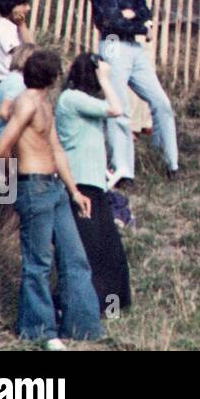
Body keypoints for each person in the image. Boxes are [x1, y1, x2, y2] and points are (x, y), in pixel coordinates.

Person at [0, 50, 104, 349]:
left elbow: (56, 150)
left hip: (54, 188)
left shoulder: (45, 104)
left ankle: (83, 327)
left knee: (74, 256)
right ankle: (40, 331)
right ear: (54, 77)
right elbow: (2, 148)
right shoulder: (27, 103)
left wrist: (75, 191)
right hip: (33, 186)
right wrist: (12, 180)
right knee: (38, 263)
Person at [89, 0, 180, 185]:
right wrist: (137, 25)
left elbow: (143, 9)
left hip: (134, 48)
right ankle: (123, 170)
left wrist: (132, 18)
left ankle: (169, 161)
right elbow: (111, 21)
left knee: (161, 102)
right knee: (121, 109)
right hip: (114, 46)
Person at [54, 53, 132, 317]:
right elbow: (117, 109)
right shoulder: (71, 98)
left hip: (92, 184)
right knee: (89, 249)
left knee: (107, 249)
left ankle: (109, 307)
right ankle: (85, 306)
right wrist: (105, 78)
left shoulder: (83, 101)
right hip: (78, 185)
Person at [0, 0, 35, 82]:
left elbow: (33, 49)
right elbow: (28, 54)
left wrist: (22, 25)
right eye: (24, 5)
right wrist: (22, 25)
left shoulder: (15, 27)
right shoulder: (2, 28)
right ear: (11, 6)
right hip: (9, 80)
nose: (28, 8)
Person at [0, 42, 36, 132]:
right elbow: (3, 111)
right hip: (14, 140)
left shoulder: (8, 78)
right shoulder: (20, 82)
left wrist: (2, 124)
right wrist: (17, 127)